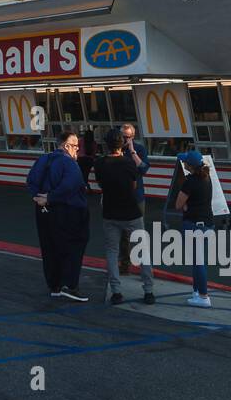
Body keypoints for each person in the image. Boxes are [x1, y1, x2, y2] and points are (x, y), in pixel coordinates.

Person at [25, 131, 90, 301]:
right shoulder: (70, 163)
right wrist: (50, 198)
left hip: (43, 211)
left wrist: (38, 198)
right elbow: (72, 184)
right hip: (68, 211)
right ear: (66, 145)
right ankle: (70, 285)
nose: (78, 149)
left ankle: (55, 285)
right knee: (74, 246)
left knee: (49, 247)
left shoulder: (43, 159)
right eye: (75, 146)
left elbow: (31, 180)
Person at [93, 128, 155, 305]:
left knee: (112, 251)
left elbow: (100, 184)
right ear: (122, 144)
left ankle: (116, 291)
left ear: (107, 144)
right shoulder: (129, 163)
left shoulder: (100, 163)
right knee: (142, 250)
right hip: (131, 212)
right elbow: (134, 184)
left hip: (110, 212)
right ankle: (148, 290)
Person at [175, 150, 215, 307]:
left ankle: (203, 296)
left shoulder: (190, 182)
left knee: (198, 262)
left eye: (185, 161)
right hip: (207, 223)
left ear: (189, 165)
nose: (183, 163)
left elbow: (178, 204)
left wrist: (186, 205)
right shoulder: (207, 178)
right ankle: (197, 291)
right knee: (198, 260)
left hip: (194, 224)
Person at [116, 123, 150, 273]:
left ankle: (144, 267)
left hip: (137, 196)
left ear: (132, 137)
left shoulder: (139, 149)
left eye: (127, 137)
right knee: (124, 234)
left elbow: (144, 169)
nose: (124, 139)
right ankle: (125, 264)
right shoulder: (116, 149)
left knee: (139, 232)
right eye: (122, 136)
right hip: (121, 196)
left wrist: (133, 151)